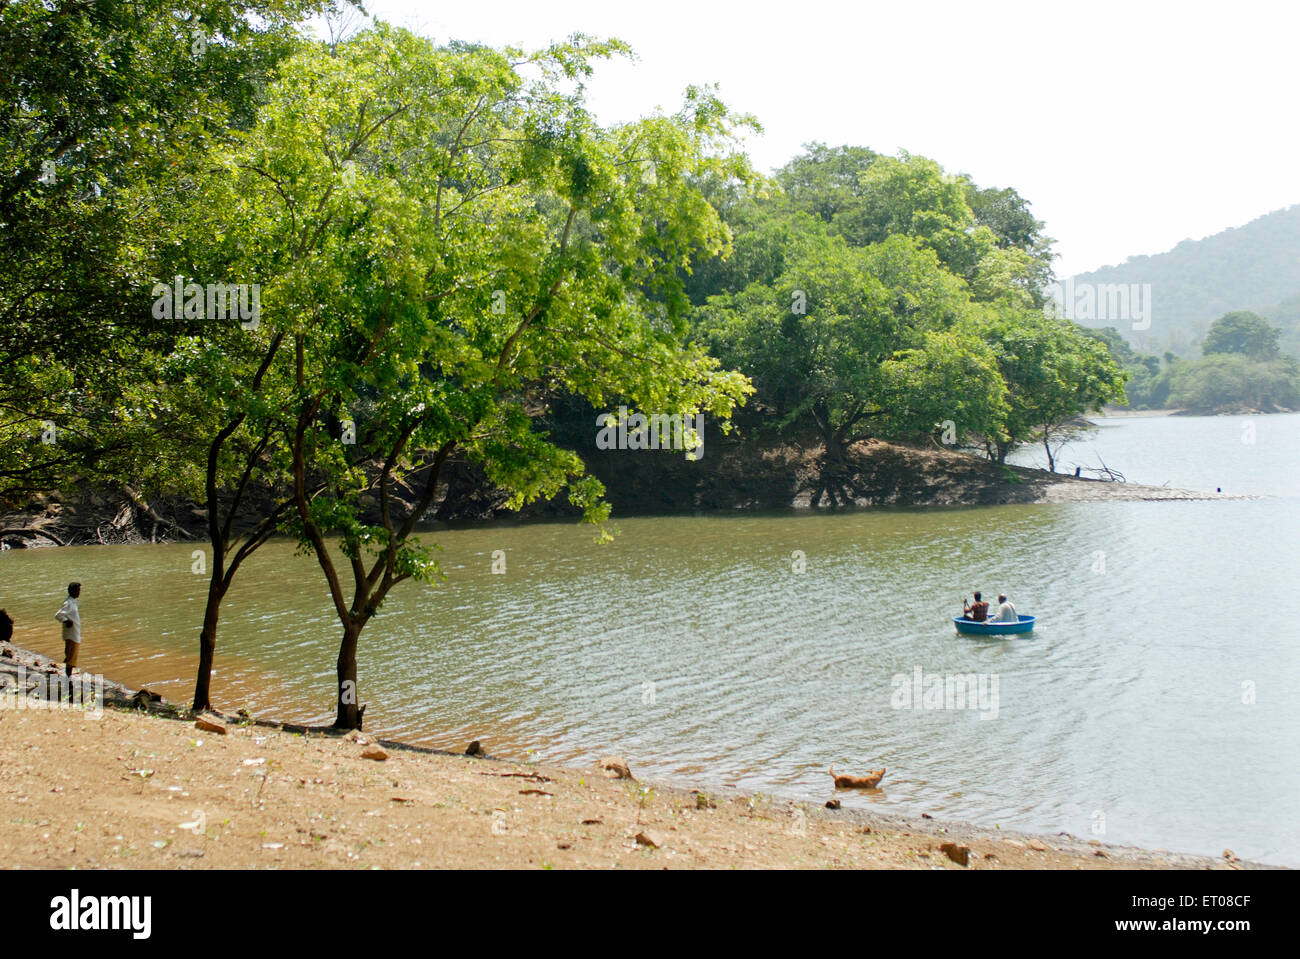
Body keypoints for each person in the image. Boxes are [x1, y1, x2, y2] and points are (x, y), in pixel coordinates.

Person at [54, 582, 81, 681]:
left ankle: (68, 678)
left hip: (74, 634)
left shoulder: (73, 601)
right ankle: (68, 679)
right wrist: (66, 620)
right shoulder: (68, 603)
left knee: (71, 657)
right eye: (77, 590)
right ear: (72, 591)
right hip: (71, 635)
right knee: (71, 658)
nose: (79, 592)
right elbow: (58, 615)